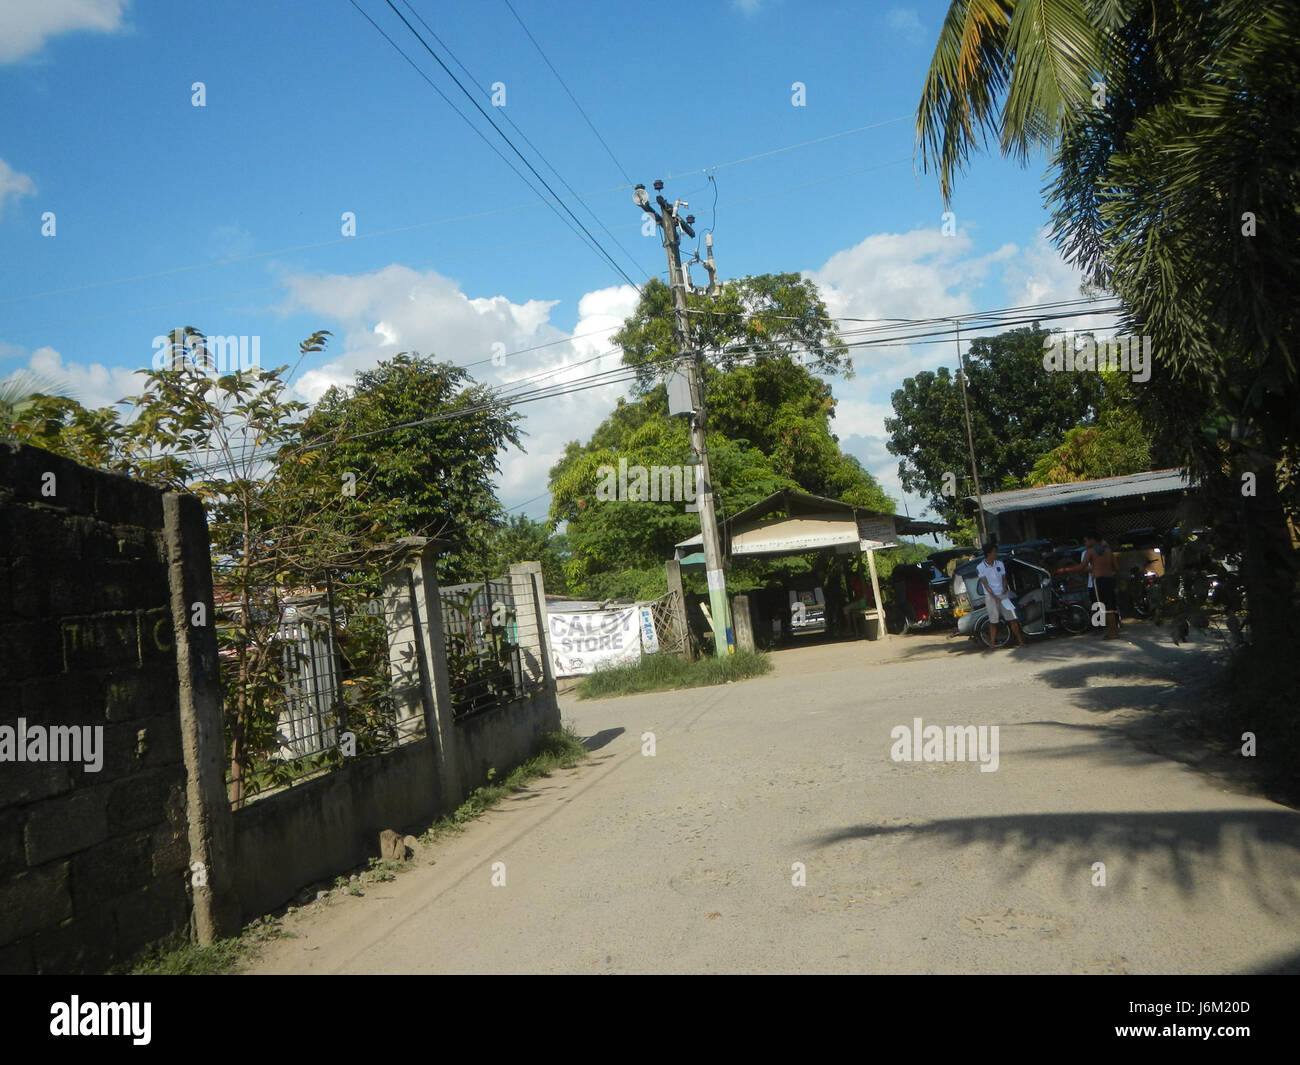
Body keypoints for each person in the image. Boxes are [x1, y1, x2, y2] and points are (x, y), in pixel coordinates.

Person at [1069, 531, 1120, 639]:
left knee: (1105, 608)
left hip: (1099, 581)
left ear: (1092, 540)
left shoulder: (1090, 552)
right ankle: (1114, 631)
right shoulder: (1108, 551)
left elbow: (1082, 566)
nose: (1085, 543)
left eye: (1086, 540)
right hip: (1110, 579)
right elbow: (1116, 567)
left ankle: (1111, 633)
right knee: (1111, 607)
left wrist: (1066, 569)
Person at [977, 543, 1025, 650]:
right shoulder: (980, 567)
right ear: (988, 553)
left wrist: (1004, 588)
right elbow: (985, 584)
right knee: (993, 621)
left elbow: (1004, 578)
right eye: (994, 552)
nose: (996, 554)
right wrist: (994, 596)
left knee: (1012, 619)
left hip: (1003, 595)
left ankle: (1020, 641)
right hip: (990, 597)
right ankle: (992, 644)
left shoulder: (1000, 564)